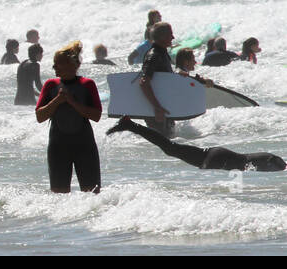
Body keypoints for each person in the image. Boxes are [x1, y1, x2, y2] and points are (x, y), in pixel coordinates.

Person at [34, 41, 102, 194]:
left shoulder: (87, 84)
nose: (54, 68)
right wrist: (57, 100)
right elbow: (40, 116)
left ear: (72, 65)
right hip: (58, 146)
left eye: (57, 64)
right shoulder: (51, 85)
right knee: (58, 194)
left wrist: (72, 102)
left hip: (85, 146)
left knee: (92, 193)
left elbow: (97, 116)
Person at [107, 118, 285, 172]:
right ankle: (130, 125)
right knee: (171, 149)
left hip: (220, 155)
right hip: (222, 159)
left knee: (170, 148)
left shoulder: (275, 161)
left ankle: (131, 125)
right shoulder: (277, 162)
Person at [139, 23, 175, 134]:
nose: (173, 37)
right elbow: (144, 82)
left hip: (163, 106)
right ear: (162, 37)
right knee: (163, 142)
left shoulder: (162, 53)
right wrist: (157, 107)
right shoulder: (154, 55)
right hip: (157, 111)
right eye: (170, 34)